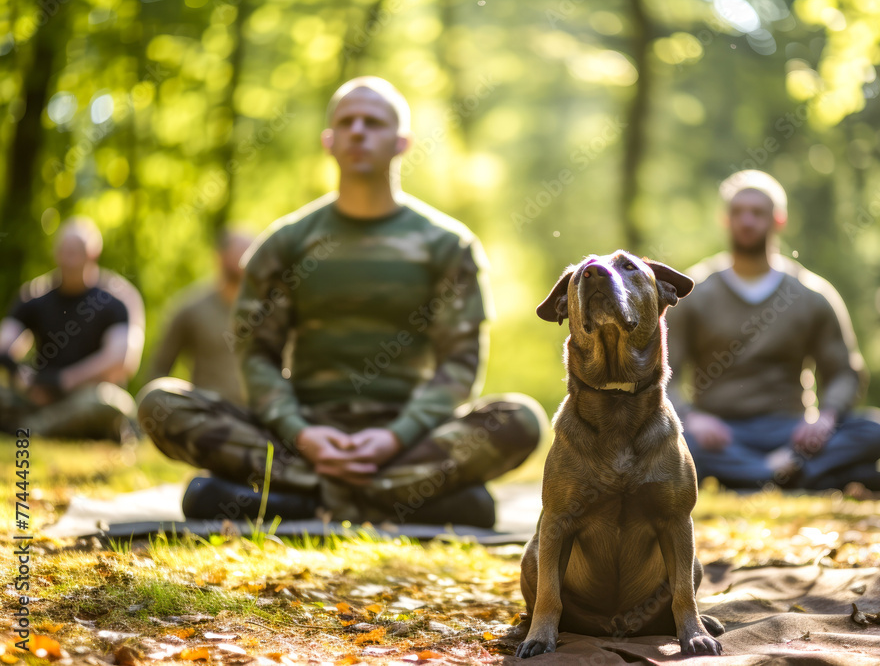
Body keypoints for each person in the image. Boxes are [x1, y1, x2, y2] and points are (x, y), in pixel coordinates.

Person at [137, 77, 545, 527]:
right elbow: (257, 357)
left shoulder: (447, 246)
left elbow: (461, 364)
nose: (358, 131)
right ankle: (386, 498)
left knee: (522, 419)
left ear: (401, 141)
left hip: (409, 441)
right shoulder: (287, 243)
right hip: (301, 437)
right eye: (346, 122)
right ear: (328, 141)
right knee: (160, 403)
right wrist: (303, 434)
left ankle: (299, 498)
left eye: (373, 122)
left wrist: (394, 438)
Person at [667, 170, 880, 492]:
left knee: (876, 430)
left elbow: (846, 373)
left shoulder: (811, 294)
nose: (746, 221)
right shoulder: (693, 293)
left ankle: (750, 475)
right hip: (718, 433)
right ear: (725, 219)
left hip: (791, 432)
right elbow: (662, 374)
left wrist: (826, 417)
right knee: (670, 438)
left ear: (779, 220)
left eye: (757, 213)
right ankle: (799, 475)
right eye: (737, 212)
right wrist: (690, 417)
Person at [0, 217, 143, 442]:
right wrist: (26, 378)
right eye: (65, 250)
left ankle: (31, 428)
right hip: (37, 396)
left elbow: (122, 360)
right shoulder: (35, 294)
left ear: (93, 253)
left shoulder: (117, 298)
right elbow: (5, 344)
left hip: (87, 396)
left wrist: (65, 380)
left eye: (77, 251)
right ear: (55, 253)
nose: (70, 258)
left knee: (112, 404)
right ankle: (41, 426)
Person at [147, 229, 253, 406]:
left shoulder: (271, 308)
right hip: (209, 412)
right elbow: (159, 368)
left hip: (260, 413)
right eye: (240, 251)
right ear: (220, 256)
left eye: (251, 251)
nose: (246, 258)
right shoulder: (192, 308)